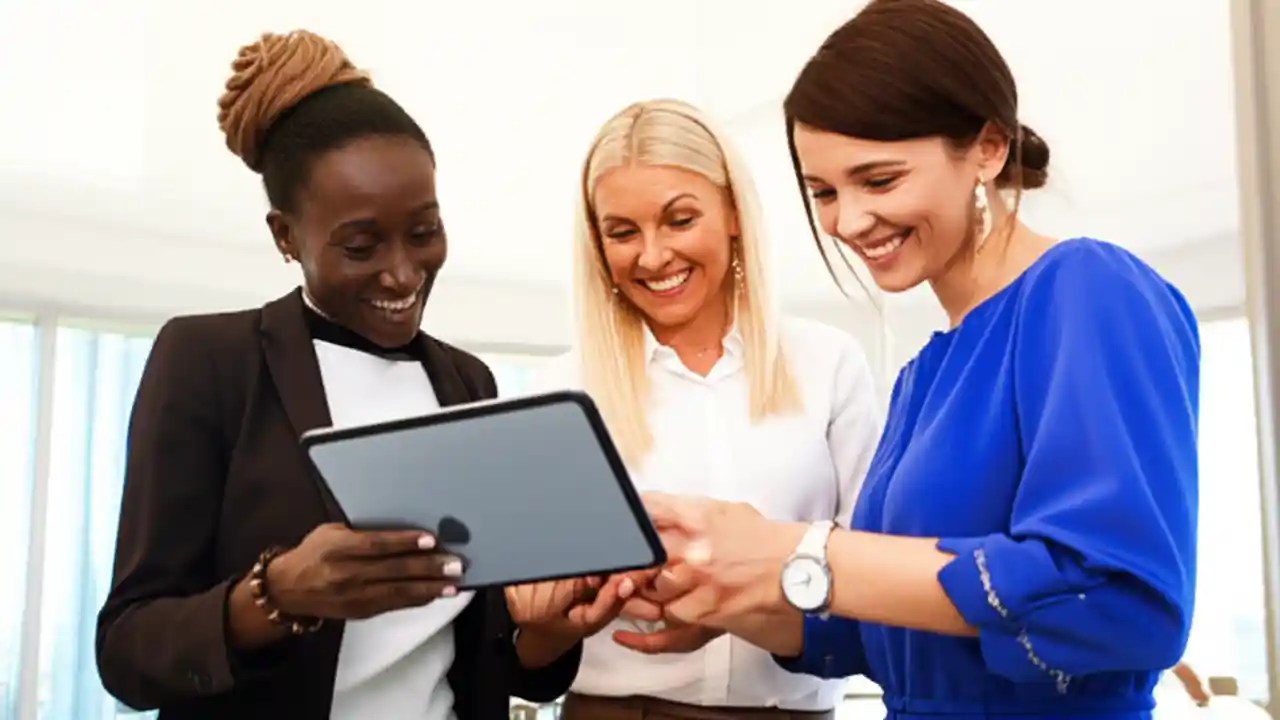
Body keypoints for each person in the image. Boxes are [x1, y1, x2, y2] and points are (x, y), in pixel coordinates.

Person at [632, 2, 1201, 719]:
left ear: (988, 149)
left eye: (880, 180)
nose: (848, 220)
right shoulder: (922, 376)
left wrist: (793, 549)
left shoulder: (1086, 290)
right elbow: (893, 636)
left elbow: (1116, 598)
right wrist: (730, 597)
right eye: (824, 193)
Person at [95, 30, 632, 720]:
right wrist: (278, 594)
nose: (403, 273)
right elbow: (128, 650)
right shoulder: (210, 362)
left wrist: (547, 633)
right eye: (360, 244)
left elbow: (485, 663)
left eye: (424, 231)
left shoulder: (466, 382)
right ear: (285, 237)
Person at [543, 99, 883, 719]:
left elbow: (872, 568)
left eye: (679, 220)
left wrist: (747, 602)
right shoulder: (560, 392)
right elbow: (528, 612)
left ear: (731, 213)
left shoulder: (827, 363)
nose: (652, 256)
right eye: (623, 232)